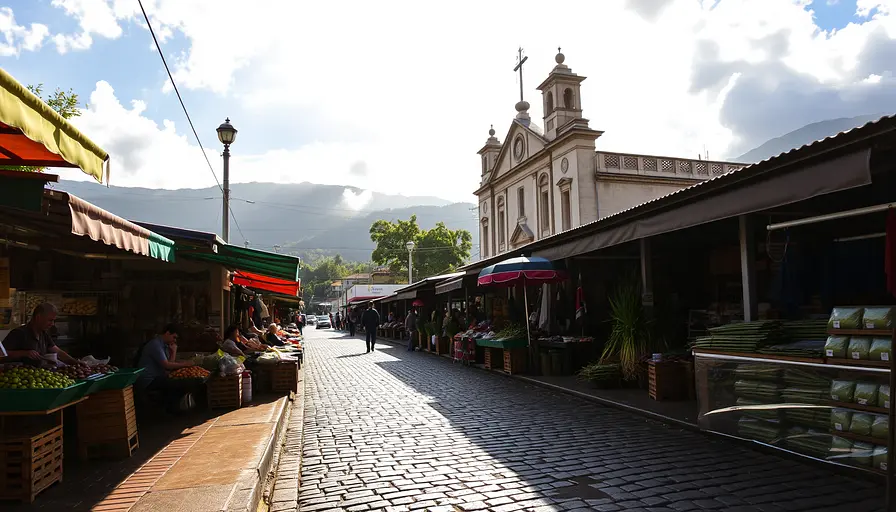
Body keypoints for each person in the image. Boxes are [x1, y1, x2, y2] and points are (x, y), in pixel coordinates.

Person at [135, 323, 195, 412]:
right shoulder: (155, 345)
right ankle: (172, 409)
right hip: (149, 380)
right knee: (177, 384)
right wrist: (186, 364)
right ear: (167, 333)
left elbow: (169, 365)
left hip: (158, 377)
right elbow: (167, 365)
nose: (174, 340)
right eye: (173, 337)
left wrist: (174, 351)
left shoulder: (165, 345)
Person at [3, 303, 84, 366]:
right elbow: (1, 354)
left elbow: (58, 352)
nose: (52, 324)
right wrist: (24, 353)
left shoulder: (43, 334)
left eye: (53, 321)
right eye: (50, 320)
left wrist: (76, 362)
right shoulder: (19, 333)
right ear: (38, 317)